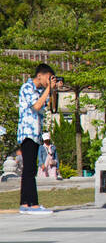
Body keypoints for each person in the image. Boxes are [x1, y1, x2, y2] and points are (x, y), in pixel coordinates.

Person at [17, 64, 58, 214]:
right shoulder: (27, 88)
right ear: (40, 76)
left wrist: (53, 90)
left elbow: (52, 107)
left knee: (29, 169)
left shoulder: (41, 91)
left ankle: (25, 204)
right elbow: (36, 106)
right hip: (27, 132)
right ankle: (33, 203)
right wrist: (48, 89)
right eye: (48, 78)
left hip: (36, 134)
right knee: (30, 169)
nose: (48, 81)